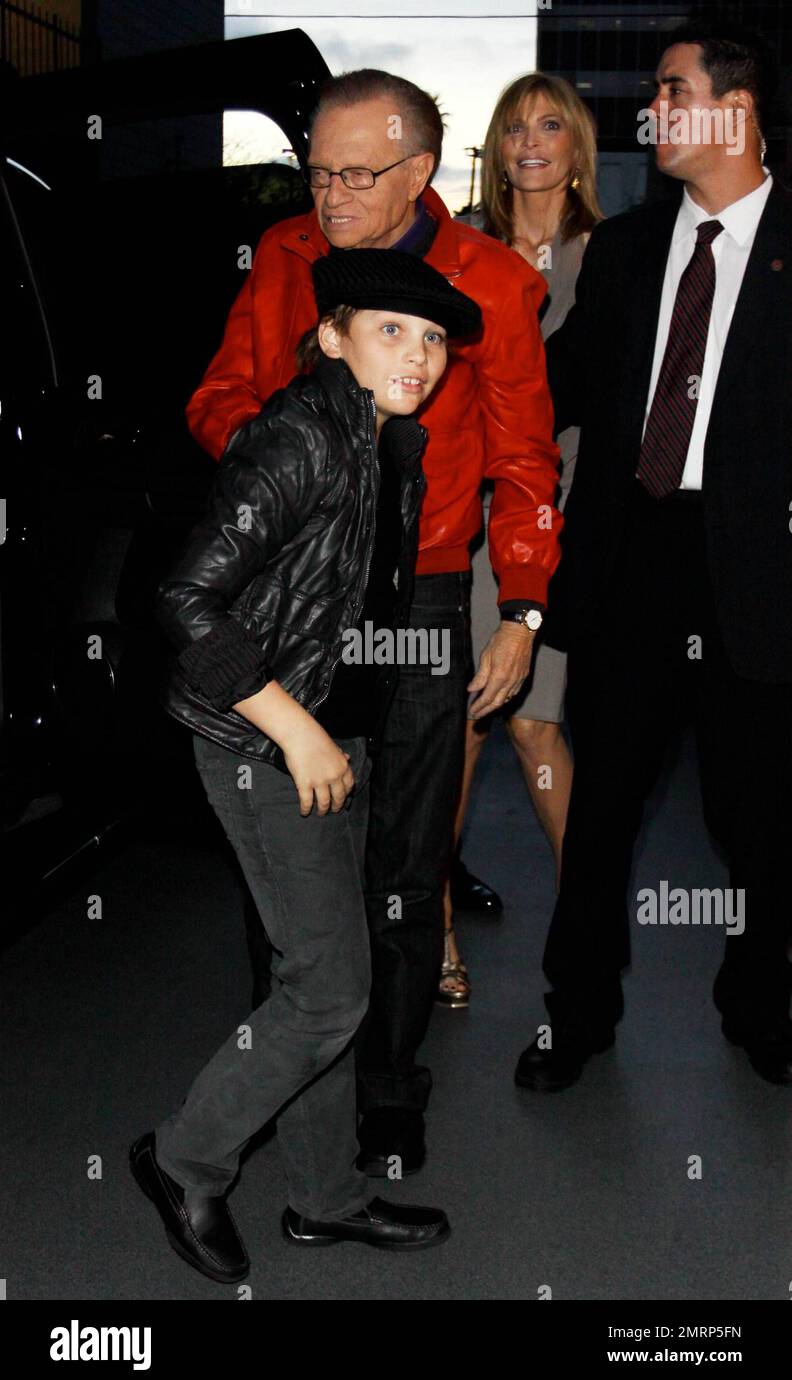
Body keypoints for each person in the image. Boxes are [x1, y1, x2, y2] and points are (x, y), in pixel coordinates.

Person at [186, 68, 561, 1175]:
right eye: (318, 170)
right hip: (300, 598)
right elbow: (216, 399)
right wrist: (294, 472)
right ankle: (295, 1085)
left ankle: (390, 1097)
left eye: (356, 174)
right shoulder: (285, 261)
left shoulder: (494, 284)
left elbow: (527, 461)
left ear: (418, 172)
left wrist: (524, 611)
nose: (330, 193)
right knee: (297, 865)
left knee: (407, 861)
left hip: (431, 599)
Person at [129, 249, 483, 1282]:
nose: (417, 355)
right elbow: (184, 600)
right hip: (261, 743)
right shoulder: (296, 440)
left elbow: (338, 605)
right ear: (331, 334)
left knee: (330, 976)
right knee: (329, 992)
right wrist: (296, 728)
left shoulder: (383, 439)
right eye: (390, 330)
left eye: (432, 340)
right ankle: (184, 1158)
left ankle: (324, 1199)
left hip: (334, 736)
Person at [514, 22, 792, 1092]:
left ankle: (759, 1000)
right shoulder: (629, 252)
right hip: (634, 562)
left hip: (757, 572)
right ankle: (575, 1014)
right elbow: (554, 387)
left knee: (761, 821)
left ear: (739, 106)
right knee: (602, 814)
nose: (653, 112)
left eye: (672, 91)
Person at [441, 73, 603, 1007]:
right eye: (515, 129)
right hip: (471, 510)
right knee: (466, 721)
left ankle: (583, 941)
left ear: (577, 146)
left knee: (537, 721)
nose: (532, 143)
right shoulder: (461, 248)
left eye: (551, 126)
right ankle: (437, 930)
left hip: (563, 514)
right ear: (496, 148)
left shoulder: (613, 253)